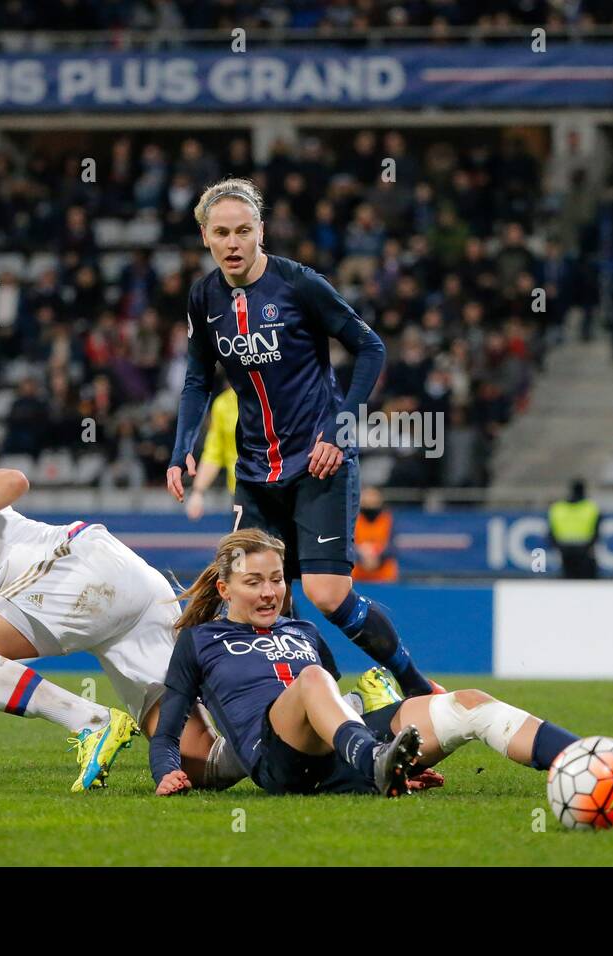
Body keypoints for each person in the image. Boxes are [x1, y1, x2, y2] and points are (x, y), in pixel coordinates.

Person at [0, 427, 243, 793]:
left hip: (80, 567)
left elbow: (13, 481)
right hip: (128, 594)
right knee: (203, 766)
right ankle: (286, 737)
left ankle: (91, 722)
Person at [166, 177, 435, 697]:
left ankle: (417, 685)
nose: (233, 243)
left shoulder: (299, 284)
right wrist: (182, 451)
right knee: (259, 597)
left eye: (244, 231)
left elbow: (370, 347)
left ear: (261, 231)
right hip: (254, 472)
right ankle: (319, 701)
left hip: (318, 463)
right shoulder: (203, 297)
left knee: (327, 593)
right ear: (205, 237)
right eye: (221, 233)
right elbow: (198, 378)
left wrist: (338, 429)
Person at [149, 530, 613, 798]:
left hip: (340, 757)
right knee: (312, 680)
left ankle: (603, 757)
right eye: (254, 582)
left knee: (467, 704)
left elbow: (337, 706)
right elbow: (169, 731)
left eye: (277, 579)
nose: (269, 592)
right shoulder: (200, 641)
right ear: (224, 588)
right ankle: (376, 762)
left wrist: (391, 754)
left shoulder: (302, 630)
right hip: (275, 758)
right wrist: (167, 772)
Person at [185, 385, 237, 521]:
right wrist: (198, 492)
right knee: (244, 542)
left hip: (280, 488)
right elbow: (214, 453)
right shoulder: (223, 404)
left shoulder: (278, 395)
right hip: (241, 491)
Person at [548, 479, 600, 579]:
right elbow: (597, 532)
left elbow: (551, 532)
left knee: (568, 580)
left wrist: (557, 546)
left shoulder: (557, 508)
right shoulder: (591, 507)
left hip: (564, 548)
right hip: (584, 548)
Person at [351, 486, 398, 582]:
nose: (370, 499)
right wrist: (361, 557)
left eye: (373, 496)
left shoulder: (388, 519)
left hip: (385, 576)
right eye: (367, 496)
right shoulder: (352, 520)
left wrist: (378, 558)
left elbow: (393, 547)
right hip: (357, 576)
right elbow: (347, 545)